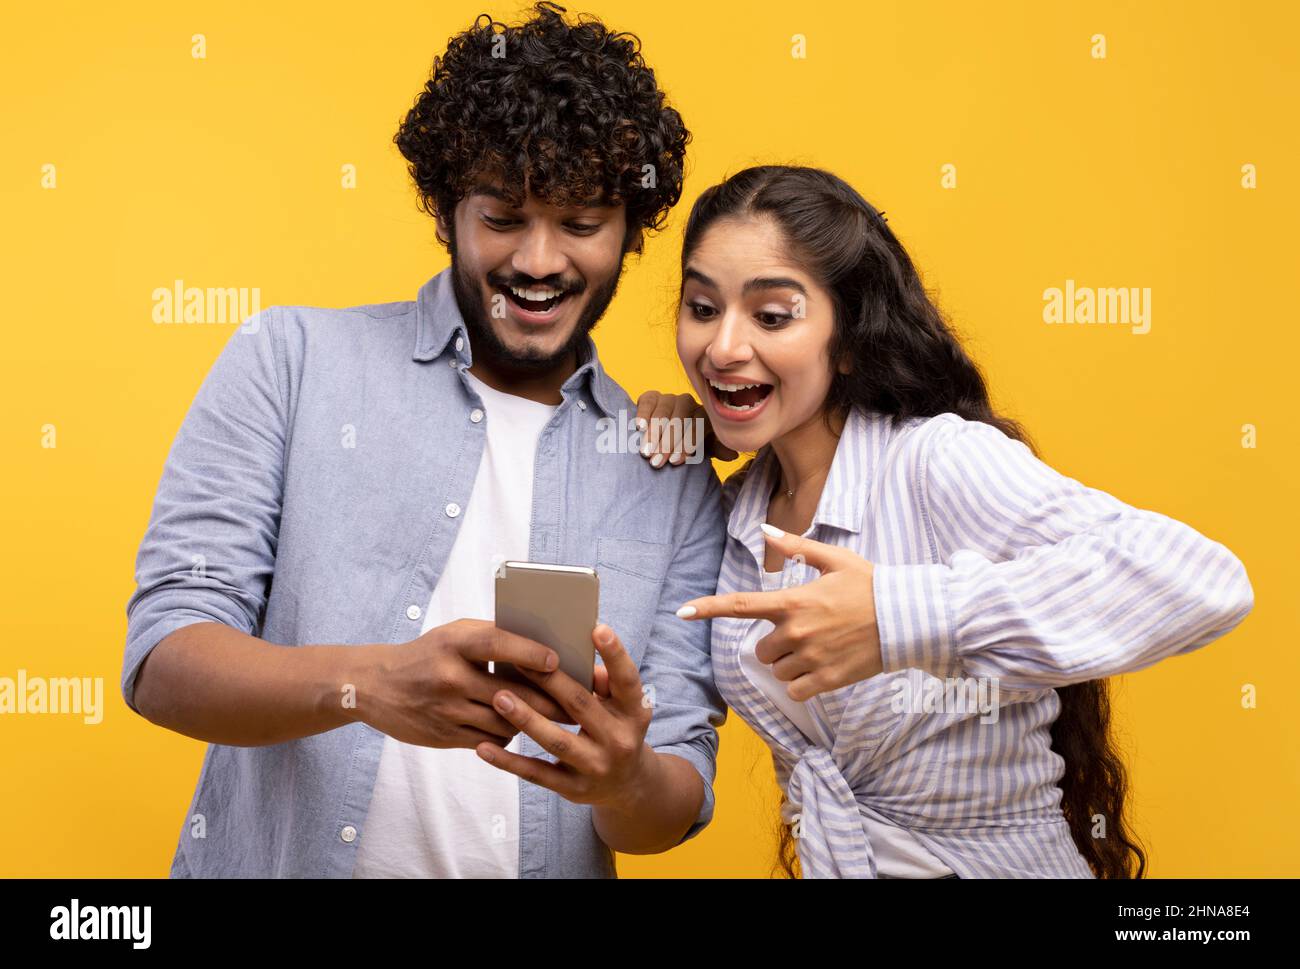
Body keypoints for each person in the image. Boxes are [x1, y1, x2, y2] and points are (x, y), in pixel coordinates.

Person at [121, 2, 727, 879]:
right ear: (446, 211)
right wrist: (371, 685)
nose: (541, 260)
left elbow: (670, 805)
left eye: (582, 223)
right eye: (504, 215)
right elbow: (165, 659)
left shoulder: (667, 470)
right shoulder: (289, 362)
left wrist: (625, 776)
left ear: (631, 234)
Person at [635, 164, 1255, 878]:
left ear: (846, 337)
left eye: (772, 316)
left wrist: (899, 612)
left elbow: (1206, 580)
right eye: (703, 308)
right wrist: (679, 443)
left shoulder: (933, 461)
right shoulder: (736, 517)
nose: (721, 347)